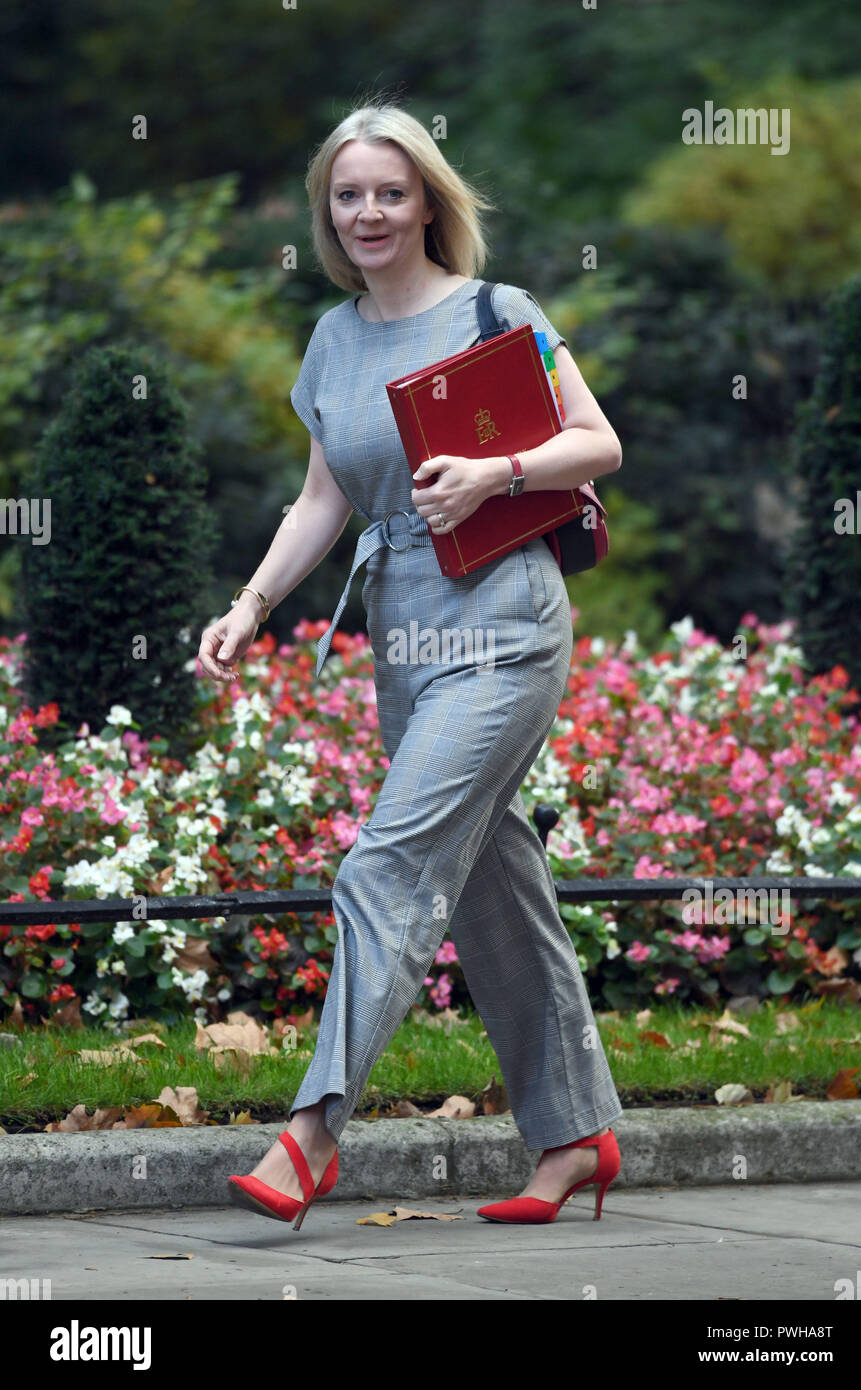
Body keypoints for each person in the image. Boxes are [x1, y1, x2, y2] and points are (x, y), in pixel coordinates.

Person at [197, 98, 625, 1230]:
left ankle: (311, 1132)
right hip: (405, 630)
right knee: (494, 889)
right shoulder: (335, 337)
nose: (370, 210)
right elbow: (322, 496)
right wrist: (250, 604)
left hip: (505, 621)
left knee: (383, 864)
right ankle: (577, 1137)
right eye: (349, 194)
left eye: (391, 189)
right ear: (327, 211)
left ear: (428, 197)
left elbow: (600, 441)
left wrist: (499, 473)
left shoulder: (495, 311)